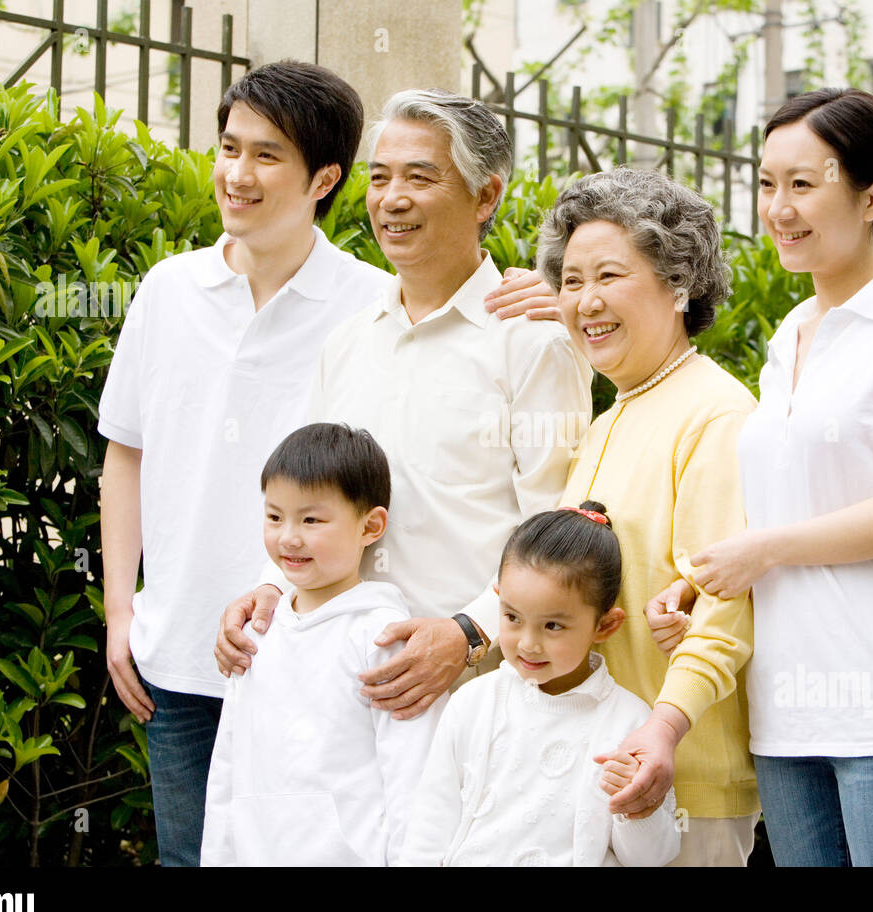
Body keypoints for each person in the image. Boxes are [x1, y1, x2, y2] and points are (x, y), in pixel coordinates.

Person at [98, 63, 550, 866]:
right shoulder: (204, 299)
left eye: (267, 155)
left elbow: (561, 516)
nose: (239, 174)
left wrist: (555, 296)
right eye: (229, 149)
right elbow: (136, 459)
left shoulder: (424, 314)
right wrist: (143, 611)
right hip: (239, 653)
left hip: (397, 669)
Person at [649, 88, 873, 866]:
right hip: (786, 717)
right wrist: (699, 583)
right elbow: (787, 504)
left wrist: (762, 552)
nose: (778, 207)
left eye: (804, 183)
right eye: (767, 183)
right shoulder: (789, 337)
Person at [213, 90, 593, 716]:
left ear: (486, 196)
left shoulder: (534, 343)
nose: (392, 199)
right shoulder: (349, 340)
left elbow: (556, 527)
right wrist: (269, 588)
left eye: (420, 177)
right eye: (380, 177)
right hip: (345, 690)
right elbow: (310, 499)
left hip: (474, 697)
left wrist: (469, 634)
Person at [525, 167, 760, 866]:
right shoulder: (607, 420)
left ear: (679, 285)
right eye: (570, 281)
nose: (585, 301)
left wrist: (661, 731)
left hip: (682, 779)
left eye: (609, 276)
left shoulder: (716, 413)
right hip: (600, 771)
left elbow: (726, 610)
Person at [201, 424, 442, 866]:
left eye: (311, 520)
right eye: (275, 517)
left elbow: (413, 780)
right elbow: (227, 773)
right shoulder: (256, 633)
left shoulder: (383, 638)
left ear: (371, 525)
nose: (289, 537)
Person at [399, 502, 679, 867]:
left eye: (552, 626)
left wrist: (634, 805)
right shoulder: (474, 702)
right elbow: (429, 827)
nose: (528, 643)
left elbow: (651, 859)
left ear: (605, 626)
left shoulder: (631, 723)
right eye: (512, 617)